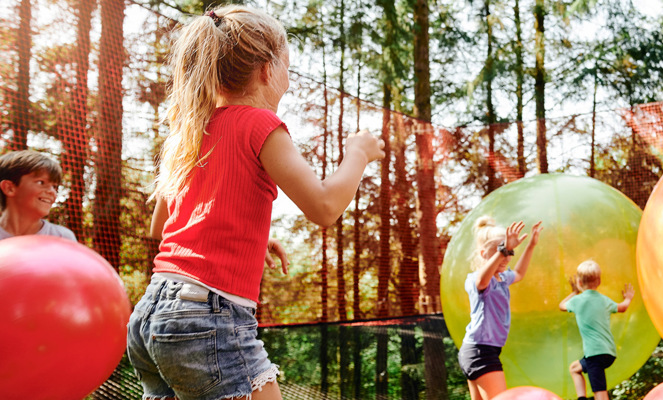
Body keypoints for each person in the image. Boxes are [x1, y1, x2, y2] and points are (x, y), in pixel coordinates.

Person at [125, 5, 384, 400]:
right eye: (287, 67)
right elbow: (325, 207)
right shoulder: (260, 124)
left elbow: (162, 228)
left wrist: (249, 239)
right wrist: (358, 154)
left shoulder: (191, 130)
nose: (289, 79)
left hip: (151, 315)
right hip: (207, 318)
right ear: (266, 70)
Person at [459, 216, 543, 400]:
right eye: (501, 252)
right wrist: (503, 249)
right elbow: (482, 280)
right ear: (483, 254)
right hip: (480, 351)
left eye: (510, 253)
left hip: (484, 351)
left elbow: (519, 273)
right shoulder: (476, 279)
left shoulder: (503, 278)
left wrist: (531, 245)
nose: (506, 257)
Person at [559, 260, 633, 400]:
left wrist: (574, 292)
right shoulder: (605, 300)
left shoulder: (577, 301)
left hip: (594, 354)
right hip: (609, 353)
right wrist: (628, 298)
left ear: (579, 282)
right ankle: (582, 398)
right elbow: (622, 307)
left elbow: (561, 305)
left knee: (600, 393)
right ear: (599, 281)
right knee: (575, 368)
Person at [0, 150, 76, 241]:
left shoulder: (62, 237)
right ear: (9, 188)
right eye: (41, 182)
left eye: (54, 187)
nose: (52, 191)